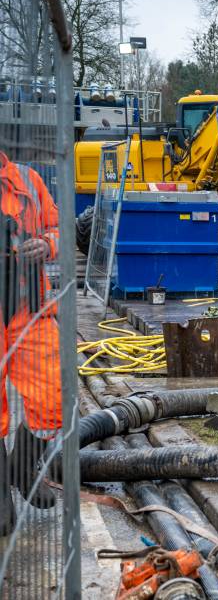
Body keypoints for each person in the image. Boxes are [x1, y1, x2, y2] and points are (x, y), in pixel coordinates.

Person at [0, 150, 61, 534]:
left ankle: (22, 466)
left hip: (28, 308)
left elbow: (58, 228)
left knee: (55, 395)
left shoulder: (28, 180)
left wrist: (46, 244)